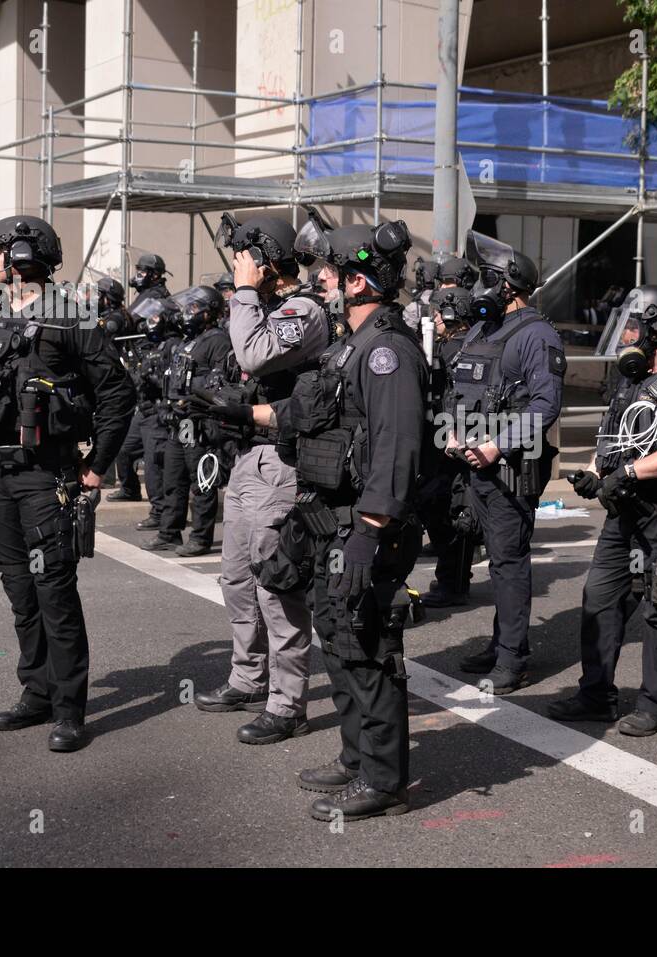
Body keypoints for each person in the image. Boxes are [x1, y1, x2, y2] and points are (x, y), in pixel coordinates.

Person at [0, 212, 135, 752]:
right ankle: (38, 691)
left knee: (54, 591)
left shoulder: (71, 318)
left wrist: (96, 468)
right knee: (19, 590)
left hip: (45, 477)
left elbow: (118, 395)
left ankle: (70, 710)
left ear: (23, 256)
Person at [288, 217, 427, 822]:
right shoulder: (353, 343)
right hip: (334, 521)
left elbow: (396, 450)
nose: (323, 278)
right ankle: (356, 757)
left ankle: (384, 780)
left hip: (365, 527)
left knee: (368, 647)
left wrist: (371, 531)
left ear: (361, 279)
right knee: (338, 639)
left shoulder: (387, 352)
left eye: (333, 271)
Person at [189, 215, 331, 747]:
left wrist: (245, 291)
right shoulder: (266, 308)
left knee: (276, 584)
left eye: (246, 258)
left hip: (283, 463)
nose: (237, 267)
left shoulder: (305, 309)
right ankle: (247, 679)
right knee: (236, 578)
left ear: (267, 261)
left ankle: (287, 702)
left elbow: (255, 353)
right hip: (250, 459)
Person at [548, 285, 657, 735]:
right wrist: (594, 472)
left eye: (634, 326)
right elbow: (612, 437)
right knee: (599, 599)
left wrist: (633, 473)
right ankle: (596, 694)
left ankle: (655, 704)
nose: (626, 334)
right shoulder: (631, 377)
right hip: (623, 514)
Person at [447, 231, 565, 694]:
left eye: (488, 279)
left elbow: (544, 405)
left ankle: (513, 659)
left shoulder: (537, 334)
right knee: (493, 561)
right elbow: (460, 391)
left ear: (511, 286)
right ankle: (501, 645)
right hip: (471, 462)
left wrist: (498, 445)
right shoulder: (482, 329)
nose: (479, 287)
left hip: (509, 467)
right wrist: (451, 432)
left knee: (509, 562)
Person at [145, 286, 233, 557]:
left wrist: (191, 398)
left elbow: (220, 380)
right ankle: (169, 532)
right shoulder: (187, 341)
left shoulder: (217, 339)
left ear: (209, 314)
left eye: (194, 309)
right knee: (173, 480)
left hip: (197, 422)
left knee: (202, 482)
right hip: (176, 421)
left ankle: (200, 538)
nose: (187, 314)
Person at [418, 285, 477, 608]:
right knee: (447, 508)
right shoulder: (463, 346)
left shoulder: (453, 350)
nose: (436, 318)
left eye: (439, 311)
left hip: (449, 441)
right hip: (452, 438)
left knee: (447, 511)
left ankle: (453, 583)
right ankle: (454, 576)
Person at [108, 295, 178, 521]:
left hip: (159, 412)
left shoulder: (175, 345)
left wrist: (154, 377)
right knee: (123, 448)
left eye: (156, 317)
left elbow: (174, 382)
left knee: (153, 464)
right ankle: (130, 489)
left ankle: (159, 513)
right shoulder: (148, 343)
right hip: (145, 410)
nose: (150, 321)